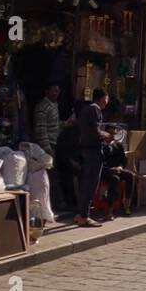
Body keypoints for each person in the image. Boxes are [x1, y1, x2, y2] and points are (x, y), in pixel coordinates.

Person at [76, 89, 111, 228]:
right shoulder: (95, 110)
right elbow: (96, 131)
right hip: (93, 150)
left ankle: (81, 213)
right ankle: (85, 216)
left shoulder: (85, 110)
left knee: (86, 182)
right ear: (102, 98)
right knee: (91, 184)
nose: (107, 102)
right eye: (106, 98)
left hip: (86, 149)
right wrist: (106, 135)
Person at [34, 84, 72, 209]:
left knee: (55, 174)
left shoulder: (53, 106)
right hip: (47, 146)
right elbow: (41, 130)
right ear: (47, 91)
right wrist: (47, 149)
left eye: (57, 91)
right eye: (53, 91)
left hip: (54, 144)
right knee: (52, 175)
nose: (56, 93)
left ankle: (58, 202)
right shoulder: (43, 107)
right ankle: (56, 203)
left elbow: (53, 125)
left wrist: (66, 124)